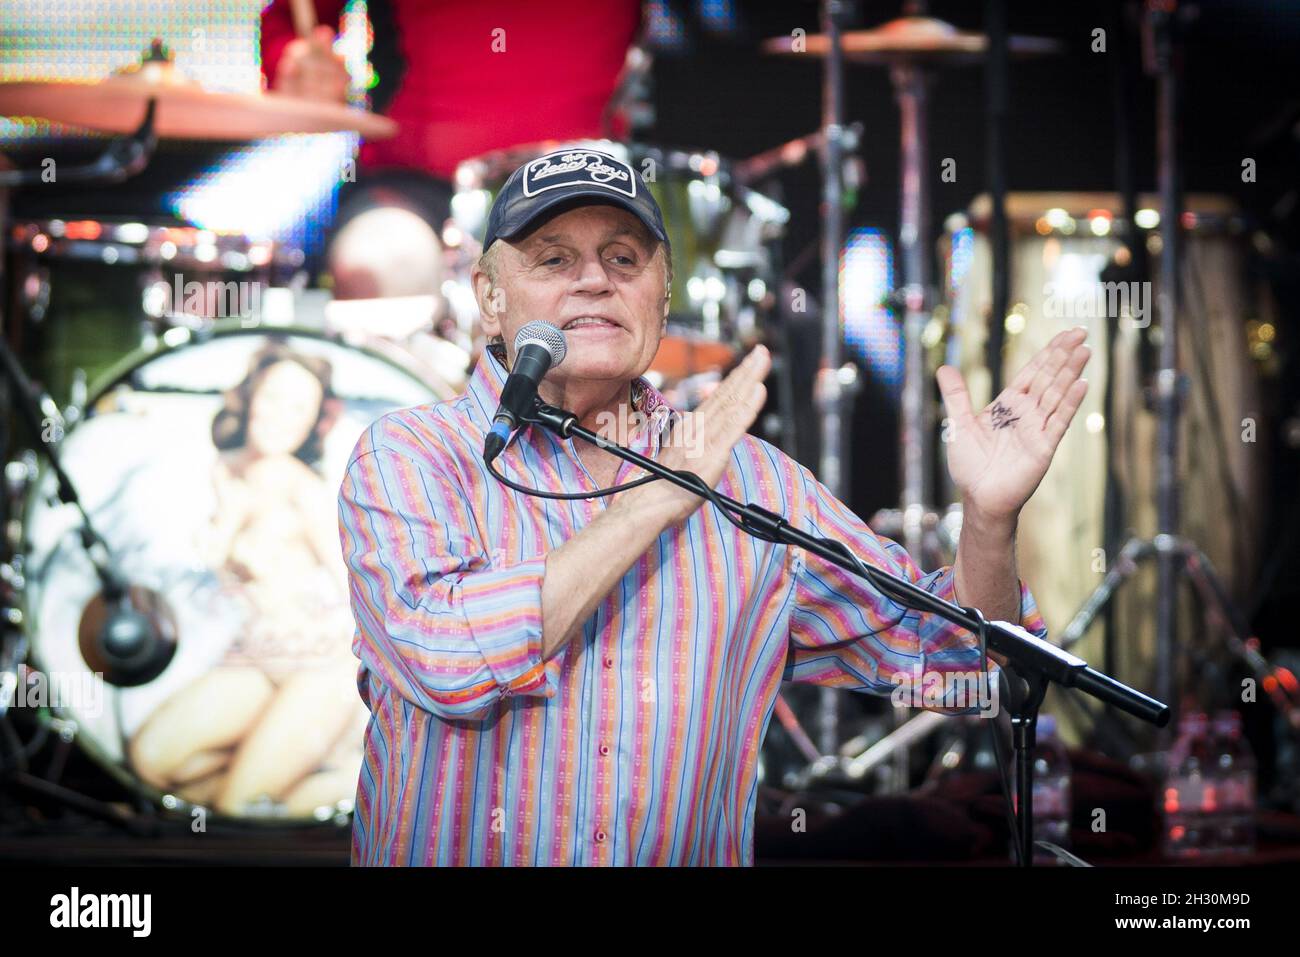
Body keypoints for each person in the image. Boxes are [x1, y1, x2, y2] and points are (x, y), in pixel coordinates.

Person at [337, 148, 1092, 865]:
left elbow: (961, 663)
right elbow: (448, 662)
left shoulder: (754, 485)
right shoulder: (409, 457)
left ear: (662, 299)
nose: (594, 279)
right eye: (554, 258)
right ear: (490, 297)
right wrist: (658, 499)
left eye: (624, 258)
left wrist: (989, 522)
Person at [259, 0, 642, 301]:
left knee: (612, 286)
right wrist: (296, 64)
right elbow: (291, 24)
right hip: (414, 186)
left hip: (588, 180)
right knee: (379, 265)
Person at [130, 341, 364, 818]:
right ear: (250, 397)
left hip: (320, 664)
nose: (282, 416)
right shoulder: (224, 470)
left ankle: (368, 783)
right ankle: (272, 787)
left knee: (240, 804)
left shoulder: (300, 483)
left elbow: (355, 585)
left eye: (300, 406)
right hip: (257, 658)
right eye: (273, 397)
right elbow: (207, 556)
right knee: (150, 762)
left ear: (314, 419)